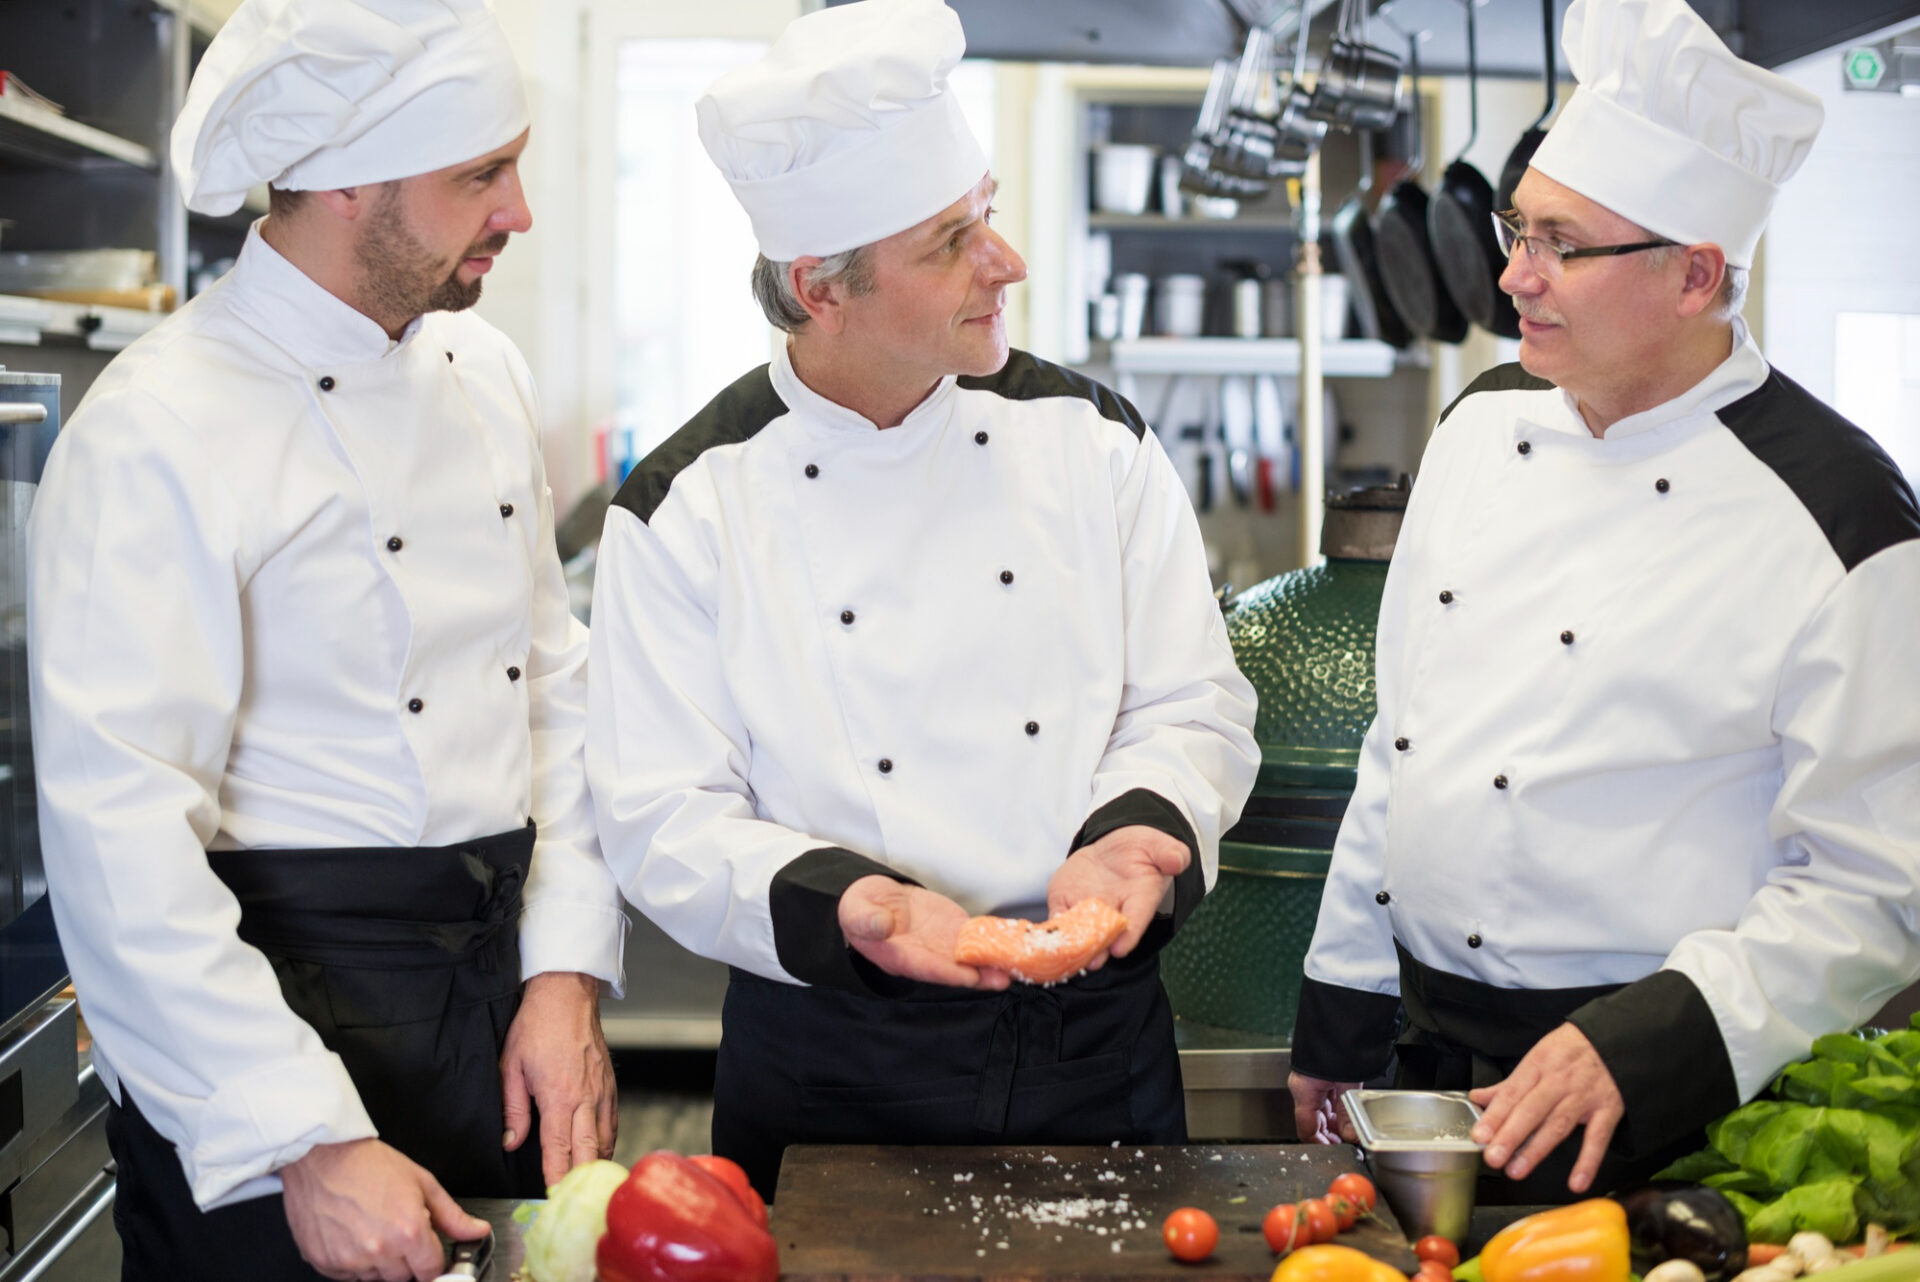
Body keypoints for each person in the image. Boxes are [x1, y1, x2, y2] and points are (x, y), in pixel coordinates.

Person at [586, 0, 1259, 1200]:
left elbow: (1194, 701)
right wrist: (866, 908)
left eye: (986, 214)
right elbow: (661, 822)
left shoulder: (1092, 442)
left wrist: (1132, 838)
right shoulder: (690, 504)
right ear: (821, 286)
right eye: (953, 241)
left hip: (1096, 1042)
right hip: (834, 1059)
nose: (1005, 261)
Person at [28, 2, 627, 1278]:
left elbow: (554, 691)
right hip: (275, 1022)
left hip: (495, 1018)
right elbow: (118, 836)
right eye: (481, 174)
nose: (518, 211)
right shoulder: (157, 427)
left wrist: (565, 968)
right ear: (349, 185)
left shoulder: (487, 370)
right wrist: (303, 1139)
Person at [1288, 0, 1920, 1204]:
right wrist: (1340, 1008)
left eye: (1561, 245)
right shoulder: (1480, 426)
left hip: (1667, 1098)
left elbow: (1876, 885)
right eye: (1517, 227)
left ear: (1693, 276)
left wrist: (1649, 1043)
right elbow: (1405, 742)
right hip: (1431, 1072)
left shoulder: (1841, 514)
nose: (1513, 274)